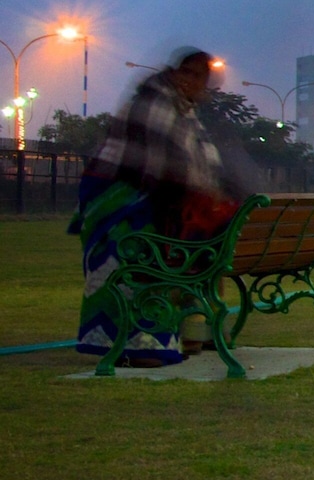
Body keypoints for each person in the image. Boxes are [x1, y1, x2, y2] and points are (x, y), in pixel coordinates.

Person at [70, 48, 236, 368]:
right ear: (177, 73)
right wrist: (205, 193)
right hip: (119, 200)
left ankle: (178, 335)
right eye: (190, 74)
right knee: (136, 261)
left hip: (148, 199)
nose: (195, 82)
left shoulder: (181, 110)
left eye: (202, 77)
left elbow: (193, 165)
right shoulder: (156, 102)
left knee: (180, 248)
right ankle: (141, 344)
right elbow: (164, 162)